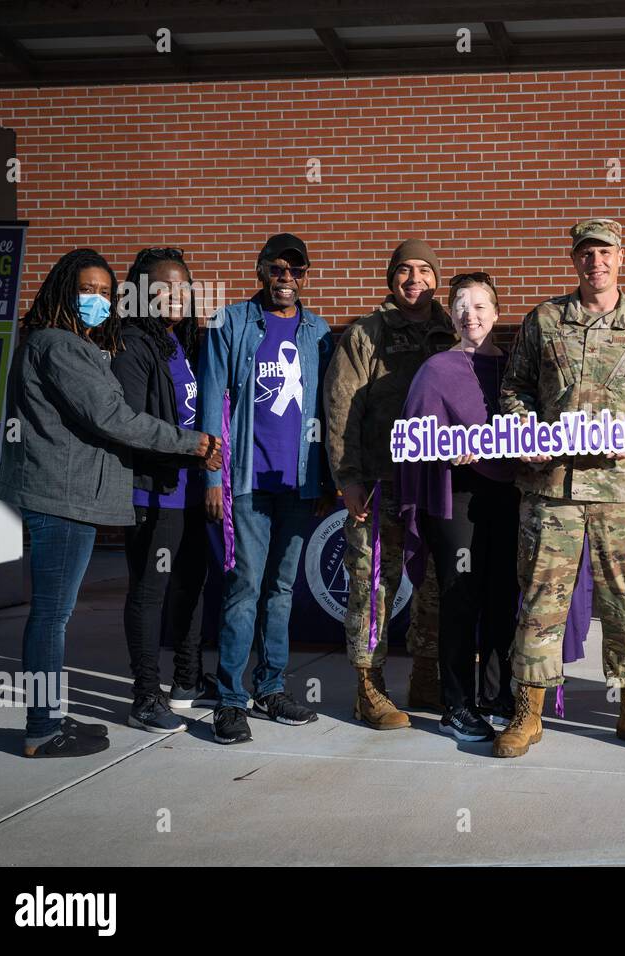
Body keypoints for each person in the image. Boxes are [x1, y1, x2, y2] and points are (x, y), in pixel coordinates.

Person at [0, 248, 221, 757]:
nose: (95, 300)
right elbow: (114, 416)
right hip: (63, 496)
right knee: (51, 616)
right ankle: (42, 729)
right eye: (86, 290)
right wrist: (194, 444)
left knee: (56, 615)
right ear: (61, 290)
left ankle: (49, 718)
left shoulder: (73, 344)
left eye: (103, 292)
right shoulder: (59, 346)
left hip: (71, 494)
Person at [495, 218, 625, 757]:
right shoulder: (545, 320)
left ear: (621, 257)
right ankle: (527, 712)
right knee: (539, 602)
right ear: (573, 259)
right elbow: (514, 390)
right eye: (585, 253)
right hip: (552, 489)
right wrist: (526, 429)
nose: (595, 262)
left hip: (622, 494)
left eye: (604, 252)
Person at [198, 234, 334, 745]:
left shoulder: (319, 332)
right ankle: (230, 701)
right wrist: (214, 476)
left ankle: (271, 687)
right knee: (244, 589)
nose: (286, 279)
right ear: (261, 271)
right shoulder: (230, 323)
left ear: (305, 277)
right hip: (247, 482)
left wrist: (325, 478)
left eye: (296, 271)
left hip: (298, 483)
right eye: (277, 269)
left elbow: (327, 409)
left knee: (280, 591)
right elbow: (212, 401)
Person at [324, 239, 458, 730]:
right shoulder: (366, 333)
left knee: (435, 586)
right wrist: (349, 478)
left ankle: (426, 675)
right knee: (374, 584)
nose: (414, 279)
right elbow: (343, 410)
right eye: (405, 270)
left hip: (437, 484)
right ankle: (369, 687)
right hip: (382, 483)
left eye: (424, 270)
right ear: (391, 277)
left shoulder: (453, 329)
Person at [112, 246, 220, 733]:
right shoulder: (132, 345)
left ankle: (187, 680)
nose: (174, 295)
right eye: (162, 286)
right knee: (150, 591)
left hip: (193, 489)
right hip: (153, 492)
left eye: (182, 286)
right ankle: (143, 695)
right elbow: (133, 425)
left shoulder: (183, 343)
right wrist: (195, 446)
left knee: (192, 584)